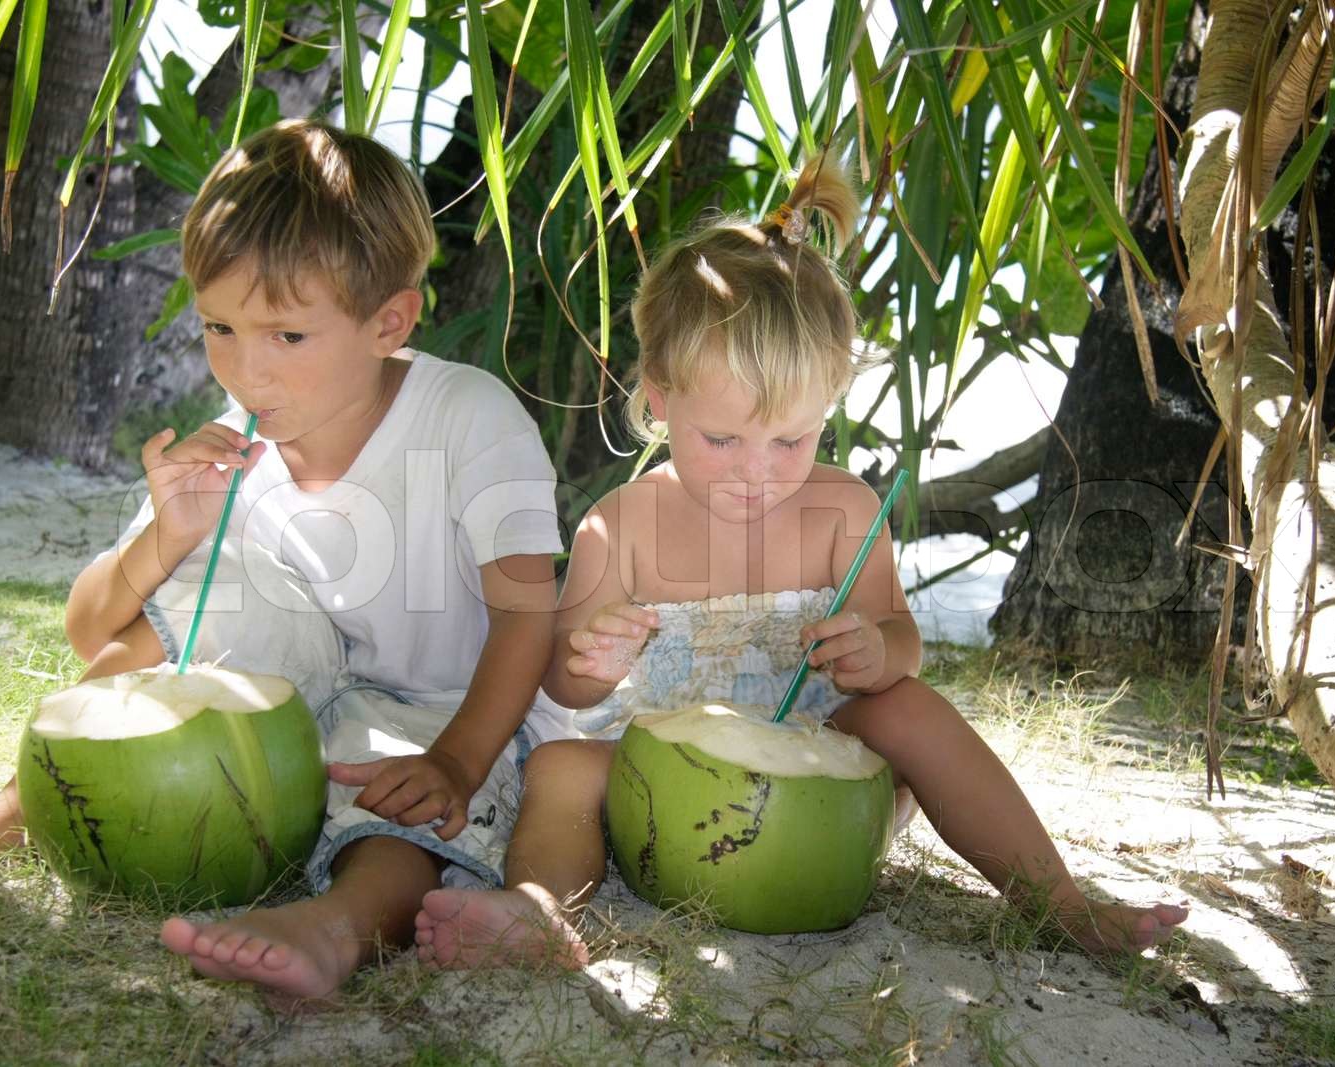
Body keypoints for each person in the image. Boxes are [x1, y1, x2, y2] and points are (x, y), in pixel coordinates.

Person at [409, 155, 1189, 970]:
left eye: (791, 439)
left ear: (829, 406)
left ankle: (1060, 902)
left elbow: (903, 639)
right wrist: (592, 657)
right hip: (664, 793)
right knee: (566, 765)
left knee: (908, 709)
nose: (758, 469)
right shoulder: (621, 523)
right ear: (662, 397)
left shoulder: (845, 508)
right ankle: (538, 911)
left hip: (828, 783)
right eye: (722, 440)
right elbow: (565, 689)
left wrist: (879, 650)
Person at [0, 120, 571, 1002]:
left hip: (448, 710)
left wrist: (459, 761)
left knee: (402, 809)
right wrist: (168, 532)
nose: (243, 368)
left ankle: (330, 931)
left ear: (390, 321)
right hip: (287, 714)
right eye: (219, 326)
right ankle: (5, 817)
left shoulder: (468, 416)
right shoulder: (235, 443)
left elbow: (525, 611)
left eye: (287, 337)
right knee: (218, 586)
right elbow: (93, 633)